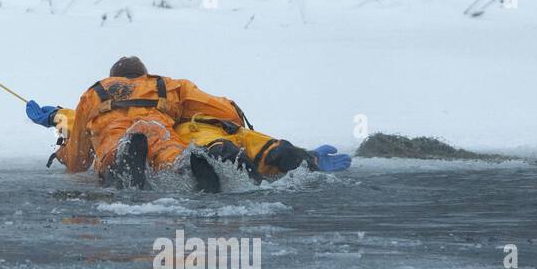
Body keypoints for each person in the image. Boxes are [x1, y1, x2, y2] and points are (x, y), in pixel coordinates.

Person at [27, 56, 349, 191]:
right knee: (170, 155)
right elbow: (222, 109)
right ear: (143, 73)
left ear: (113, 76)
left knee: (113, 154)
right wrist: (233, 113)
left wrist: (65, 156)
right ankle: (191, 164)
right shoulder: (166, 86)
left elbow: (81, 149)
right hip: (160, 130)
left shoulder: (95, 93)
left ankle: (125, 163)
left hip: (115, 137)